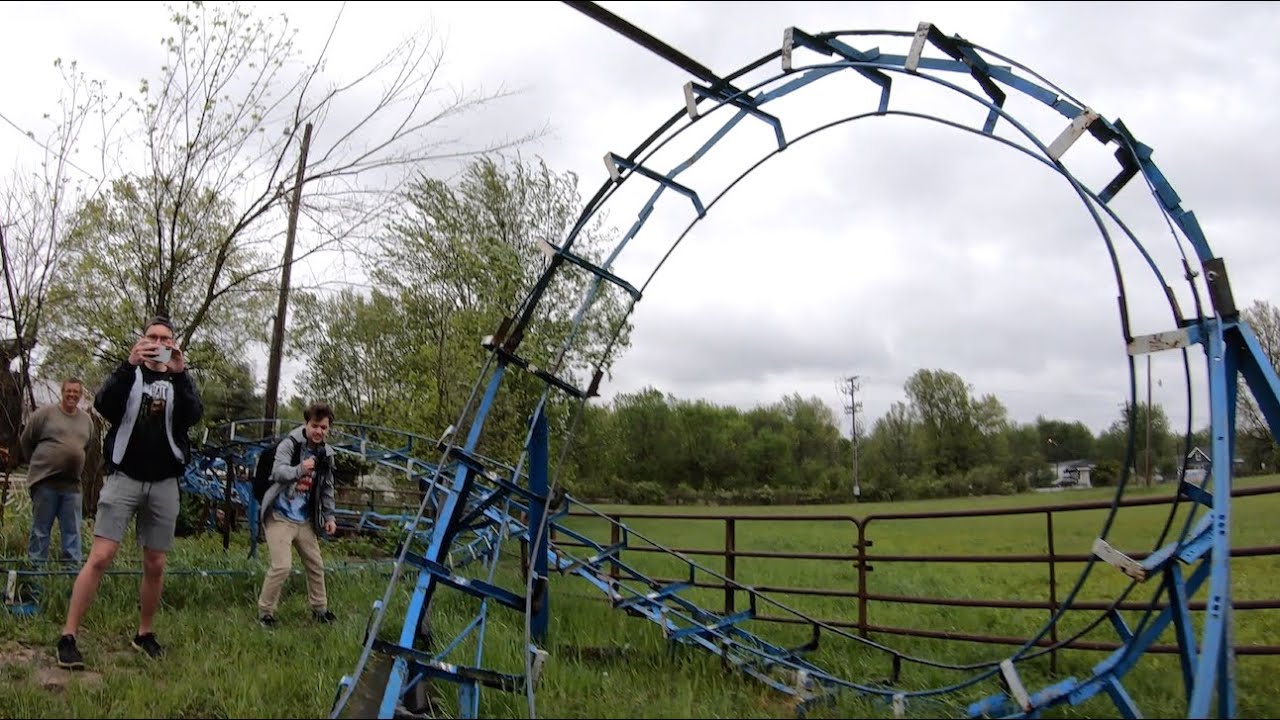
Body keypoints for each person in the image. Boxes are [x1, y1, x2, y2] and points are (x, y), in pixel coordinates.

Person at [55, 316, 203, 670]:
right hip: (124, 478)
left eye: (165, 338)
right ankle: (69, 635)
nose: (158, 342)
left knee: (156, 563)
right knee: (101, 556)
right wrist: (129, 363)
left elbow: (194, 415)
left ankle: (145, 634)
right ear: (142, 340)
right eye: (152, 336)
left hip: (165, 482)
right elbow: (105, 404)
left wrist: (181, 373)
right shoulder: (130, 373)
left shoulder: (177, 378)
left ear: (174, 343)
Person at [256, 401, 338, 628]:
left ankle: (320, 609)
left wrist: (330, 517)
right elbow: (278, 471)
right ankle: (265, 613)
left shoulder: (327, 454)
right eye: (315, 426)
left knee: (316, 564)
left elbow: (327, 487)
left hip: (304, 518)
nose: (319, 431)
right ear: (306, 423)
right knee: (282, 566)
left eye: (323, 427)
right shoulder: (289, 444)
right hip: (279, 514)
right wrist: (302, 468)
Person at [21, 377, 95, 566]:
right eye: (68, 391)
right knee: (40, 533)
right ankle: (34, 587)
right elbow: (26, 440)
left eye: (76, 392)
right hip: (45, 484)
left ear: (81, 395)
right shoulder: (45, 414)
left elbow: (86, 448)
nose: (72, 395)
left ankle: (70, 588)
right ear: (62, 392)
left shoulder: (86, 421)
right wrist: (40, 464)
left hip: (72, 487)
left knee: (72, 536)